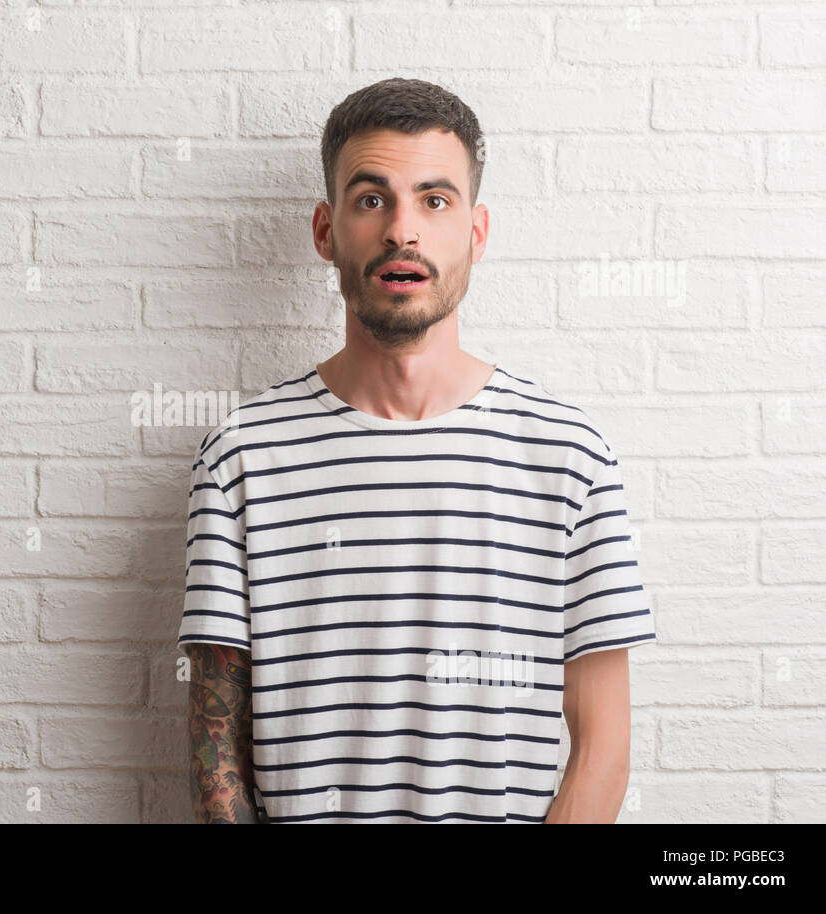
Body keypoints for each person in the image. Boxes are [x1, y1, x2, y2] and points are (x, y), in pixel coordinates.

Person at [178, 77, 656, 824]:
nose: (404, 230)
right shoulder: (240, 458)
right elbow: (217, 759)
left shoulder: (568, 457)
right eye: (371, 199)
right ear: (325, 230)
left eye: (435, 200)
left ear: (476, 231)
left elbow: (604, 746)